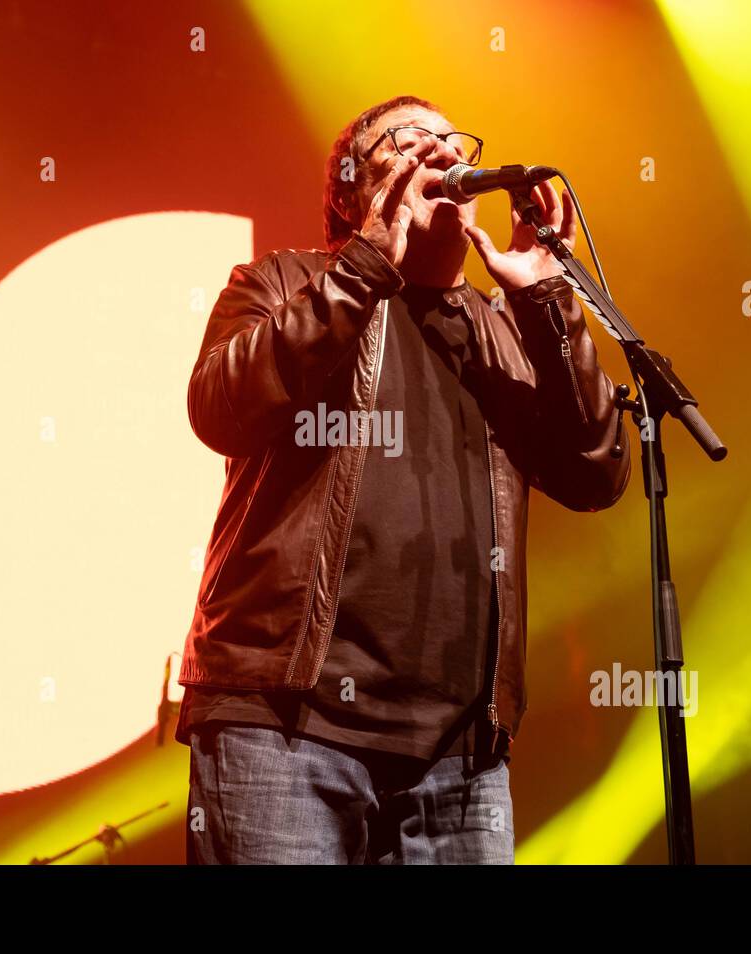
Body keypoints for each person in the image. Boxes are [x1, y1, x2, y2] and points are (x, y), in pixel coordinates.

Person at [176, 95, 630, 864]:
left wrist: (545, 295)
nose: (441, 151)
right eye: (409, 141)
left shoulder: (498, 330)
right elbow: (220, 408)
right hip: (285, 726)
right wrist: (365, 268)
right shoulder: (283, 281)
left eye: (452, 140)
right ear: (354, 190)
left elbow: (595, 471)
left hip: (461, 755)